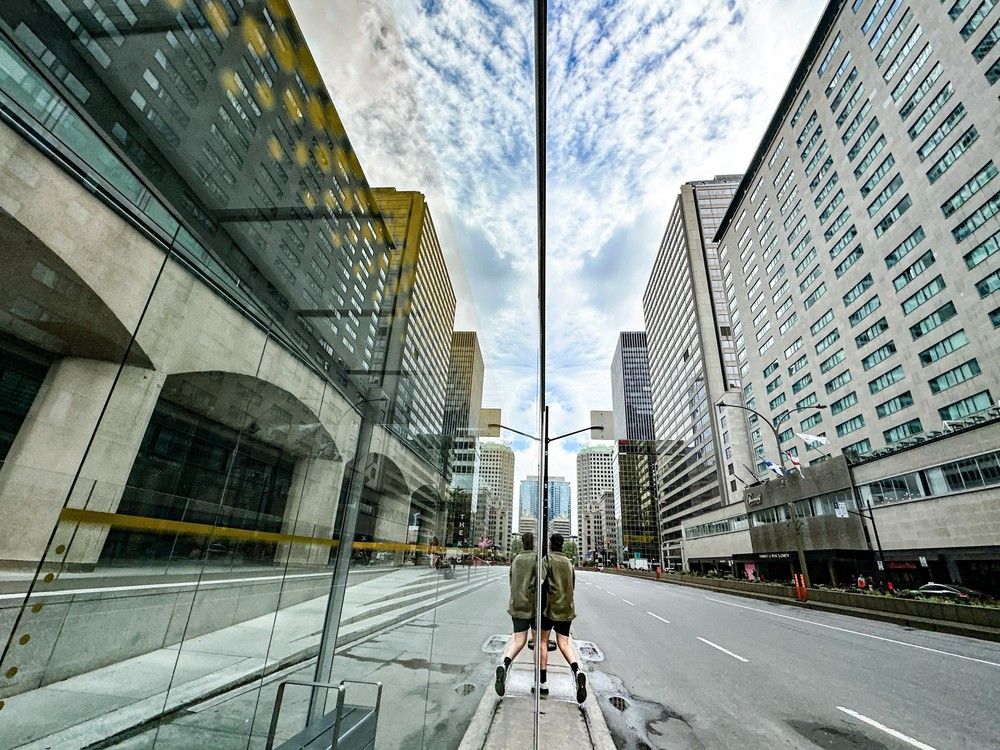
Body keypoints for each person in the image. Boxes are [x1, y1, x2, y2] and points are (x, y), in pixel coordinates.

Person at [538, 533, 587, 703]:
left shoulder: (547, 560)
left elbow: (540, 581)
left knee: (543, 642)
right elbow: (572, 587)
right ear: (563, 545)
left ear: (551, 544)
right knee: (564, 644)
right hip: (567, 610)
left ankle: (543, 682)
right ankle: (576, 670)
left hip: (550, 609)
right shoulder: (569, 563)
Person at [495, 532, 537, 696]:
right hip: (534, 607)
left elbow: (511, 582)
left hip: (517, 605)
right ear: (533, 543)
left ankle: (505, 664)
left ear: (522, 543)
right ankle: (538, 680)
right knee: (537, 642)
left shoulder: (516, 559)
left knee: (518, 641)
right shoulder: (536, 559)